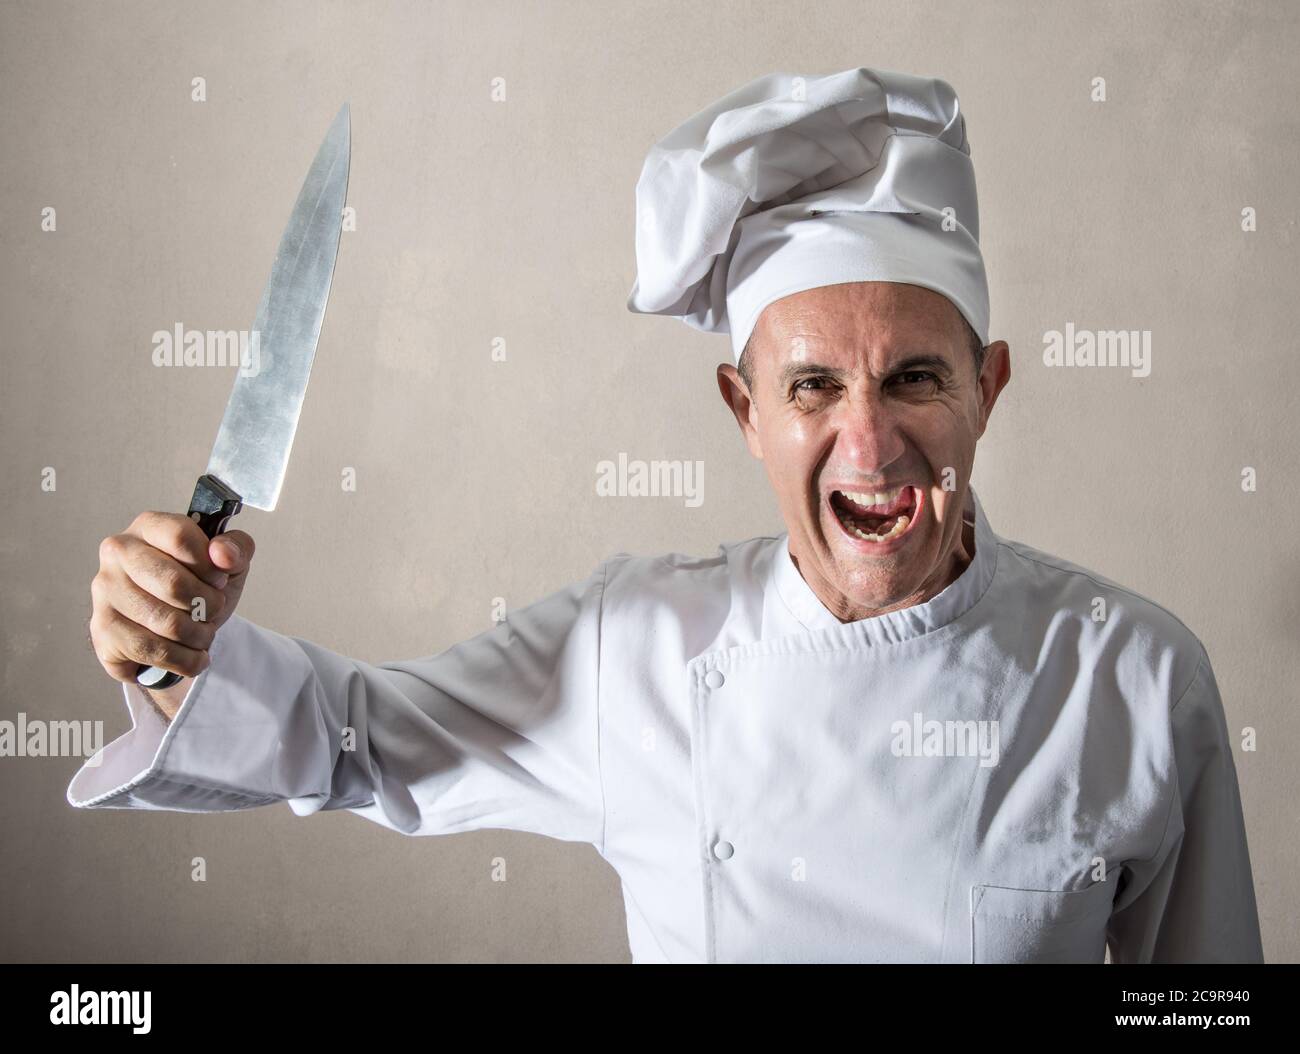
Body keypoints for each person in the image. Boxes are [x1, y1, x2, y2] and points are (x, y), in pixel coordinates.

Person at [69, 66, 1263, 964]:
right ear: (743, 409)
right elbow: (358, 741)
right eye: (812, 387)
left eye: (914, 378)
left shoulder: (1138, 679)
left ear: (985, 389)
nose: (870, 443)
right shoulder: (636, 645)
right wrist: (179, 651)